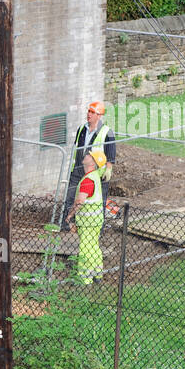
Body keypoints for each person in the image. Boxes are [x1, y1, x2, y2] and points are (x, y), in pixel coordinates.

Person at [66, 101, 116, 212]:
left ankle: (98, 226)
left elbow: (111, 154)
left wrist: (108, 169)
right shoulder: (82, 129)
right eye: (89, 111)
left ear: (99, 116)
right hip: (78, 168)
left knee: (98, 200)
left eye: (92, 112)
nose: (89, 114)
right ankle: (66, 222)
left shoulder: (107, 132)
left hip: (96, 173)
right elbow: (77, 147)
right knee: (70, 197)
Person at [67, 149, 106, 285]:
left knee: (85, 249)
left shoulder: (88, 180)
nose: (86, 155)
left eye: (90, 155)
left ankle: (85, 279)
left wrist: (70, 215)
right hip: (95, 220)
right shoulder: (94, 175)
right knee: (94, 246)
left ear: (93, 162)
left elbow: (80, 201)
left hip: (87, 222)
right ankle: (97, 274)